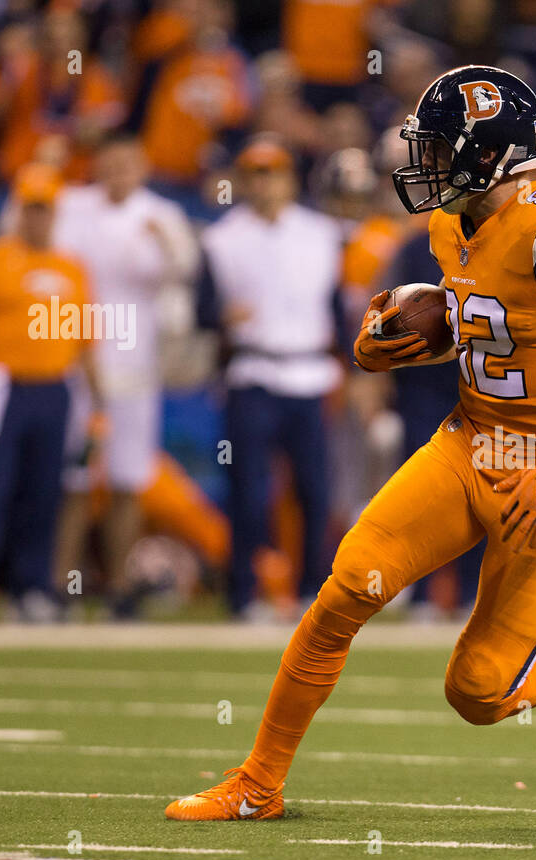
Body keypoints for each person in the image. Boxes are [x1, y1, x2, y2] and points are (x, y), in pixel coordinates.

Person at [166, 65, 536, 820]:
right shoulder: (447, 224)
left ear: (492, 154)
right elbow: (502, 335)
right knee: (348, 589)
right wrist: (418, 345)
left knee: (480, 692)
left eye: (439, 149)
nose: (422, 164)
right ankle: (258, 784)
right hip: (470, 445)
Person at [0, 163, 101, 624]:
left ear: (56, 213)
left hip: (55, 390)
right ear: (18, 211)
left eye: (45, 209)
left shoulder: (72, 269)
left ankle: (29, 589)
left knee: (44, 492)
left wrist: (97, 408)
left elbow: (86, 346)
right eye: (30, 209)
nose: (37, 219)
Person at [52, 132, 198, 616]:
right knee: (72, 480)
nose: (118, 173)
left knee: (126, 479)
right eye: (109, 163)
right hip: (75, 362)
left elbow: (186, 273)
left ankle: (118, 588)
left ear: (143, 165)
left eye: (127, 163)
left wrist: (171, 248)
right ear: (95, 165)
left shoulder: (161, 216)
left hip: (135, 366)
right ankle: (58, 587)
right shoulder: (71, 206)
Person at [198, 135, 342, 618]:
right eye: (255, 174)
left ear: (290, 179)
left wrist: (357, 366)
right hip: (251, 369)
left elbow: (337, 308)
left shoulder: (322, 233)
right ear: (242, 180)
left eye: (273, 172)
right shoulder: (222, 238)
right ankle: (243, 593)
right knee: (247, 488)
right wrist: (221, 318)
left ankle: (308, 591)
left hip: (309, 370)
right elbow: (202, 311)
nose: (265, 183)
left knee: (313, 489)